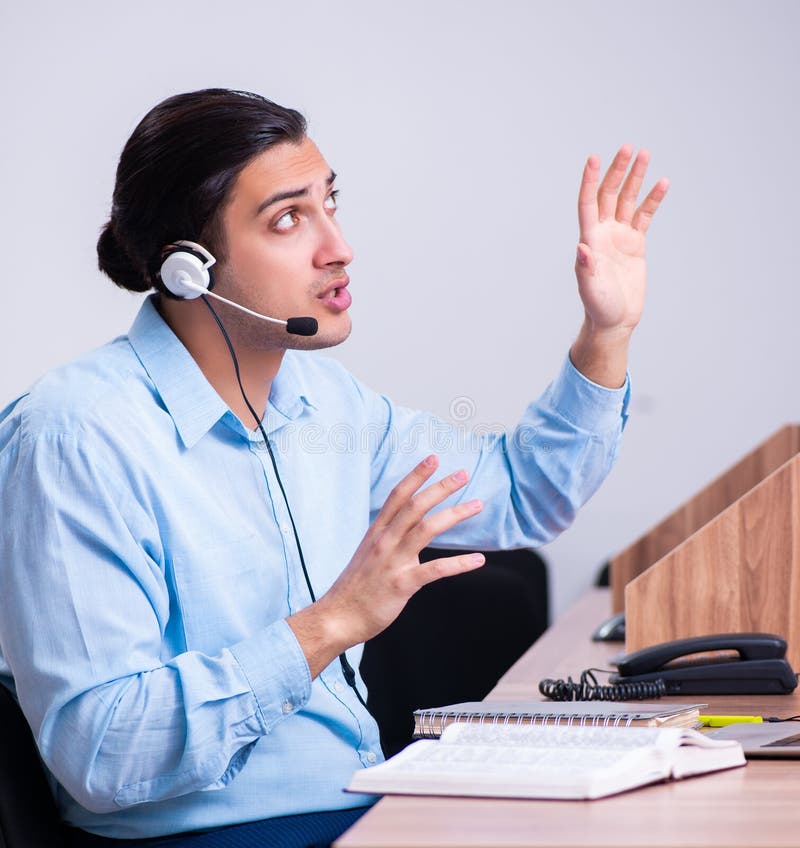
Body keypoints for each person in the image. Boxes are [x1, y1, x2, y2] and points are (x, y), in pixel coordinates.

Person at [0, 88, 667, 847]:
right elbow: (100, 751)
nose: (337, 246)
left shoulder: (325, 401)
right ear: (188, 269)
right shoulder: (74, 436)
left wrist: (605, 334)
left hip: (357, 808)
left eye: (330, 203)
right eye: (289, 218)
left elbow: (524, 493)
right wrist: (331, 624)